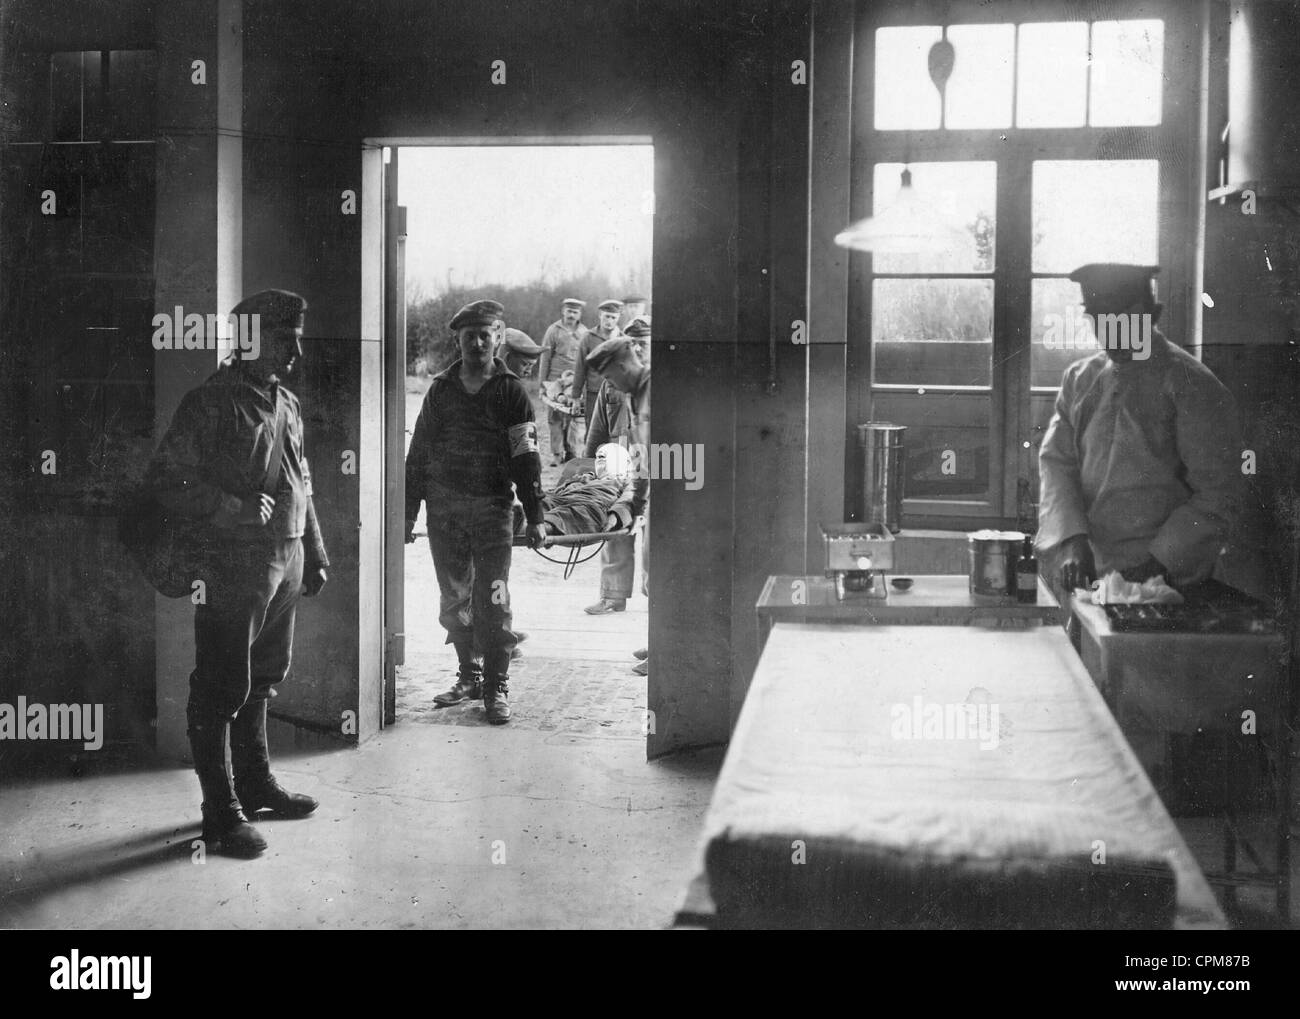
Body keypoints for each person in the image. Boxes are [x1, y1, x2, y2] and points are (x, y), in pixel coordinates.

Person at [146, 289, 329, 859]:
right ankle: (220, 811)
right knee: (222, 684)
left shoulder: (286, 403)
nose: (295, 351)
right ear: (250, 339)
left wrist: (315, 548)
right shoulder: (211, 403)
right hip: (234, 564)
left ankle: (256, 785)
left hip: (288, 558)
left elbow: (303, 480)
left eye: (297, 338)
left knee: (264, 675)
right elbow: (165, 480)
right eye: (284, 339)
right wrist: (230, 506)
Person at [1037, 263, 1268, 602]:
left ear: (1152, 314)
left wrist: (1156, 564)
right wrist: (1072, 541)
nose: (1106, 332)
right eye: (1097, 319)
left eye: (1118, 320)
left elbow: (1218, 492)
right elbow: (1057, 464)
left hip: (1168, 579)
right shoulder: (1080, 380)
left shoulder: (1192, 385)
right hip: (1089, 569)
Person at [405, 299, 547, 724]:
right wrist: (407, 516)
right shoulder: (441, 390)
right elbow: (418, 456)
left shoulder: (511, 391)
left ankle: (495, 688)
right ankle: (468, 674)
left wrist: (536, 515)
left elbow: (526, 457)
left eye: (487, 334)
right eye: (470, 335)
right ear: (459, 340)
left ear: (499, 337)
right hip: (444, 509)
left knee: (493, 598)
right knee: (453, 597)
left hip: (492, 509)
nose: (479, 342)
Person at [582, 335, 652, 675]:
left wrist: (636, 500)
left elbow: (657, 455)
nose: (610, 384)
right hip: (654, 483)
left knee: (663, 570)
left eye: (610, 376)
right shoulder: (636, 391)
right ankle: (663, 641)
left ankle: (669, 650)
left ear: (623, 365)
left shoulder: (654, 388)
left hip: (676, 488)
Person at [514, 443, 638, 538]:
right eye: (598, 457)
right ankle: (518, 516)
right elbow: (559, 489)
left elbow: (629, 498)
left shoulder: (626, 481)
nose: (599, 459)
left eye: (605, 455)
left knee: (571, 514)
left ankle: (529, 527)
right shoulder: (587, 476)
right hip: (564, 497)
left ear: (626, 463)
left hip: (591, 504)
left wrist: (615, 515)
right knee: (546, 501)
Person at [539, 298, 588, 465]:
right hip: (554, 380)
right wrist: (541, 384)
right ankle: (557, 454)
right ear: (563, 311)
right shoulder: (553, 330)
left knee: (574, 418)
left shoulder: (585, 332)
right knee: (555, 418)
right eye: (569, 311)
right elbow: (545, 358)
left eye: (575, 312)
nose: (571, 315)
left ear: (580, 314)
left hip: (576, 381)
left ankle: (571, 452)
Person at [570, 298, 623, 429]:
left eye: (613, 317)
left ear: (618, 318)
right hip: (594, 393)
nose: (609, 321)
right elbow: (580, 368)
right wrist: (576, 398)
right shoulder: (588, 337)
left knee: (616, 432)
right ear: (600, 315)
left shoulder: (622, 338)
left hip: (617, 394)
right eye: (607, 316)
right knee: (593, 432)